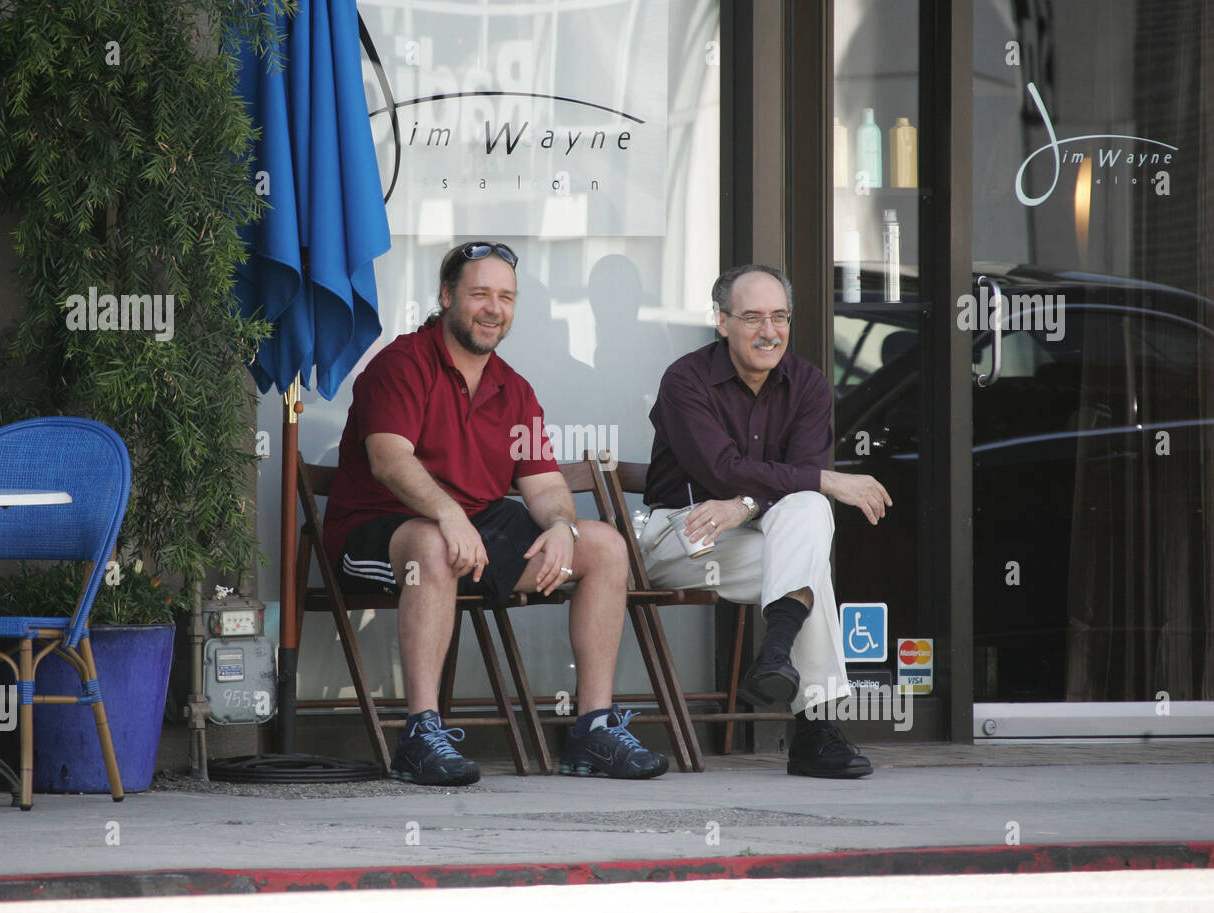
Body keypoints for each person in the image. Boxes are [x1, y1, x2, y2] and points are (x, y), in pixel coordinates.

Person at [323, 241, 667, 786]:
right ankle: (420, 733)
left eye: (505, 297)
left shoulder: (515, 388)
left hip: (476, 531)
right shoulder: (401, 364)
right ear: (445, 296)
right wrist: (448, 514)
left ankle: (592, 731)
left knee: (603, 546)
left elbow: (545, 483)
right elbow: (390, 461)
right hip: (380, 533)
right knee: (434, 542)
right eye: (480, 292)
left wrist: (560, 524)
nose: (493, 308)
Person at [641, 263, 892, 778]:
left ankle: (776, 654)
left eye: (779, 317)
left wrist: (751, 503)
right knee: (810, 535)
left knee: (808, 514)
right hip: (683, 532)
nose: (768, 331)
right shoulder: (685, 380)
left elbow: (786, 487)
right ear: (721, 321)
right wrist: (821, 481)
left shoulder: (807, 384)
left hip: (755, 535)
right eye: (752, 317)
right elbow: (721, 469)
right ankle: (814, 728)